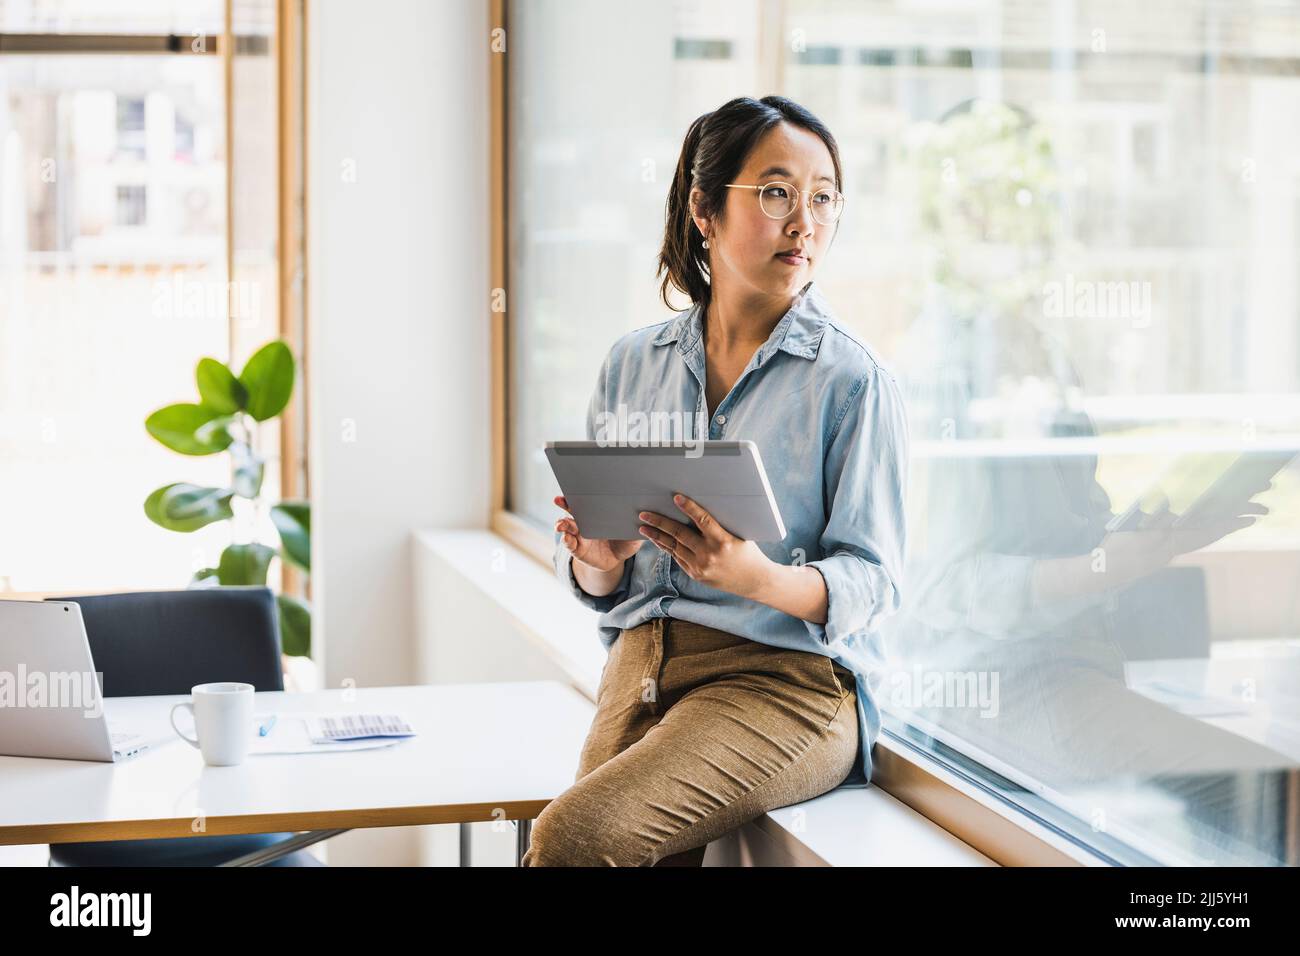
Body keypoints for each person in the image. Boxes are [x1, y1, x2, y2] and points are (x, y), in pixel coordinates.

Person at [520, 95, 910, 867]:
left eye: (823, 197)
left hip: (784, 684)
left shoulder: (853, 380)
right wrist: (596, 561)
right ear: (704, 207)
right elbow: (605, 581)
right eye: (775, 193)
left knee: (570, 841)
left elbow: (876, 582)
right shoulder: (634, 364)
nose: (805, 220)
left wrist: (758, 578)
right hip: (640, 663)